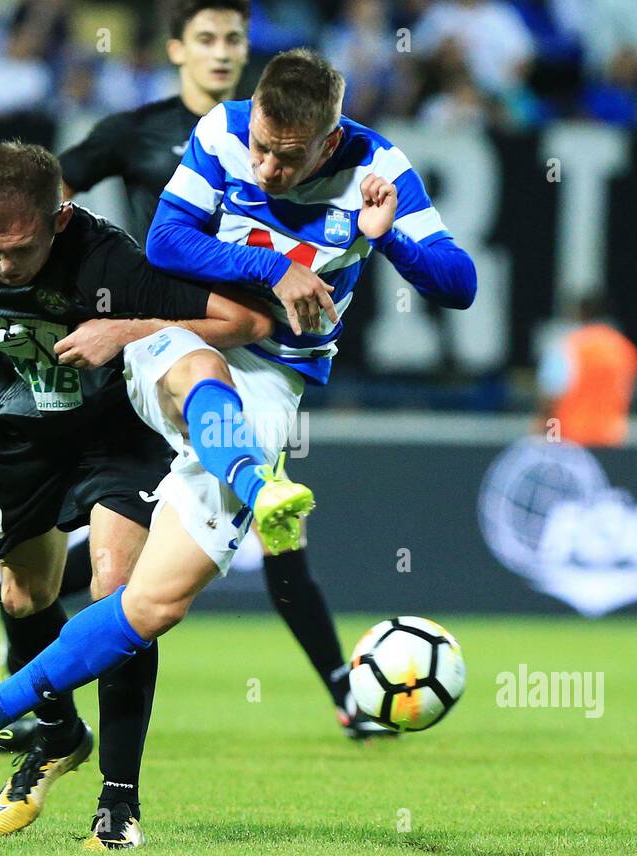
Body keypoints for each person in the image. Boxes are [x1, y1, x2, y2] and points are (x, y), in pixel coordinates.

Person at [0, 49, 476, 829]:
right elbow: (168, 244)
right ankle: (259, 484)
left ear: (328, 140)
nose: (267, 167)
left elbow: (458, 285)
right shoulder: (222, 130)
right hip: (168, 339)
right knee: (193, 371)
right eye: (261, 149)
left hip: (275, 381)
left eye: (288, 158)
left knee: (148, 604)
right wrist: (276, 264)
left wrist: (386, 240)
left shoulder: (383, 168)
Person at [0, 141, 276, 849]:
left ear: (59, 218)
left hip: (114, 434)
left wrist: (123, 329)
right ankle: (62, 734)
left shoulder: (111, 262)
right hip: (21, 440)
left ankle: (119, 802)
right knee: (22, 598)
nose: (3, 266)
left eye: (21, 251)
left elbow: (247, 322)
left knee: (116, 586)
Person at [60, 0, 390, 741]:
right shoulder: (138, 131)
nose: (219, 53)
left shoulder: (280, 144)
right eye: (204, 39)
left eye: (233, 39)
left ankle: (340, 687)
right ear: (176, 48)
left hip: (245, 356)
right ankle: (67, 716)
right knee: (123, 566)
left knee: (276, 537)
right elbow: (55, 190)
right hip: (162, 349)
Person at [536, 294, 637, 447]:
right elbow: (629, 393)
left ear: (581, 314)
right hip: (612, 440)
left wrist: (546, 436)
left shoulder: (568, 346)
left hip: (571, 441)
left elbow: (551, 396)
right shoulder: (624, 349)